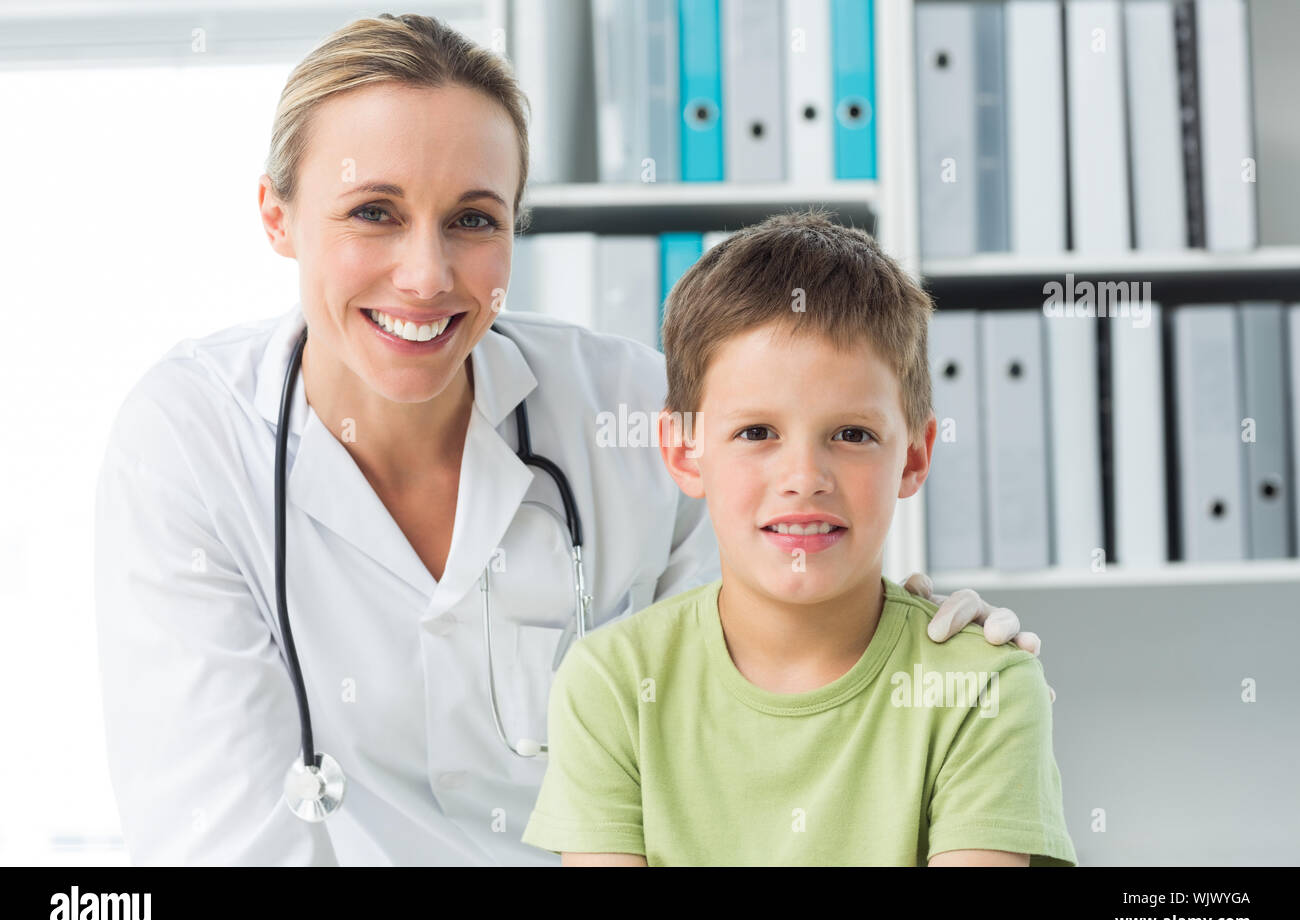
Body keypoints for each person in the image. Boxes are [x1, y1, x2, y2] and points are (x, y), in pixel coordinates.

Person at [94, 14, 1047, 866]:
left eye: (474, 219)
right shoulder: (189, 445)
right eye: (373, 212)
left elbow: (758, 712)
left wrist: (898, 632)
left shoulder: (629, 410)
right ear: (278, 216)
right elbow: (219, 843)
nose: (426, 275)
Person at [520, 211, 1077, 866]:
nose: (804, 479)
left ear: (916, 457)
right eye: (757, 432)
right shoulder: (611, 685)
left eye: (852, 434)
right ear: (684, 451)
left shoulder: (983, 688)